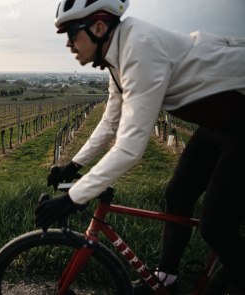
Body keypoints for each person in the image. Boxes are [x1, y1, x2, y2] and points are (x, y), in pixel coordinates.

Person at [35, 0, 245, 293]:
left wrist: (74, 198)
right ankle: (167, 280)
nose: (68, 44)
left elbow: (131, 146)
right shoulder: (116, 58)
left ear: (98, 27)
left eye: (71, 32)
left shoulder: (139, 47)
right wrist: (73, 166)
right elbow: (110, 121)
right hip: (221, 124)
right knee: (178, 193)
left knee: (216, 226)